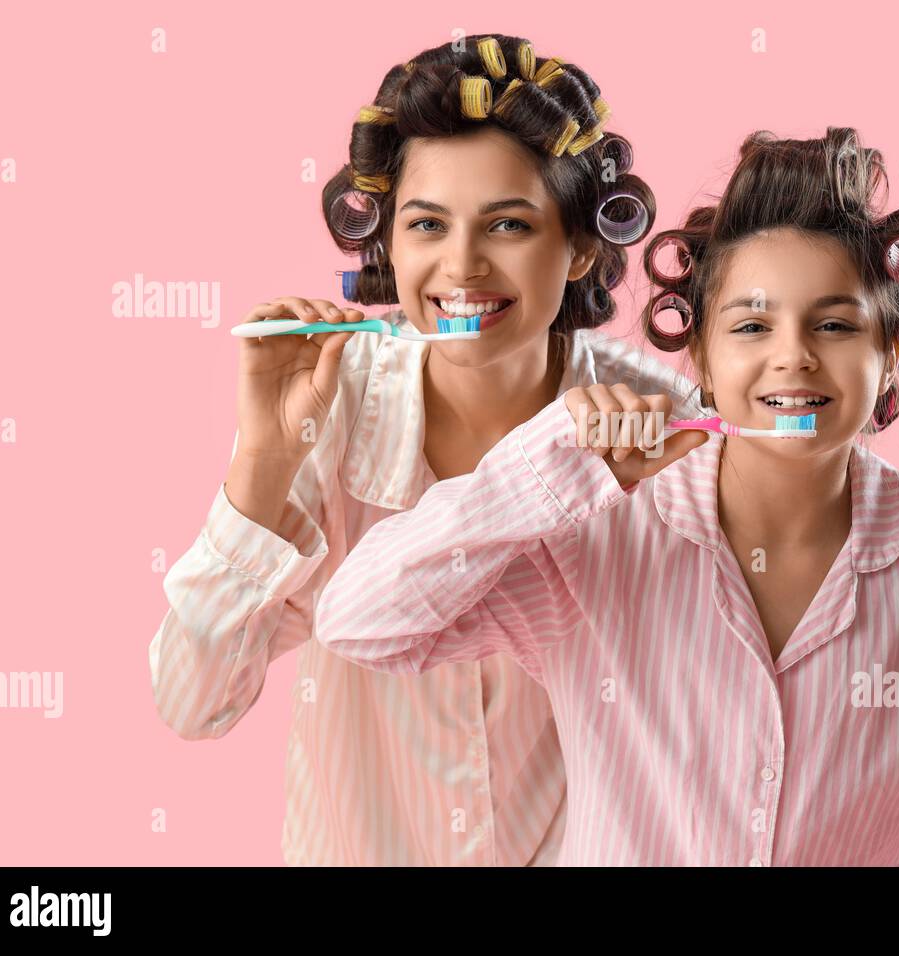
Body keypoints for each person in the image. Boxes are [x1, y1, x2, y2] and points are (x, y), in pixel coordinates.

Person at [314, 127, 899, 866]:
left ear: (889, 356)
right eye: (752, 325)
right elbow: (360, 624)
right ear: (703, 362)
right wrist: (546, 467)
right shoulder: (601, 529)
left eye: (835, 325)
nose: (793, 357)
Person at [149, 34, 698, 865]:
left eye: (509, 224)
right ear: (388, 247)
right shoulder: (334, 407)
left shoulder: (660, 427)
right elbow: (193, 705)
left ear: (582, 245)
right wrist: (265, 457)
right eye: (427, 225)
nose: (461, 266)